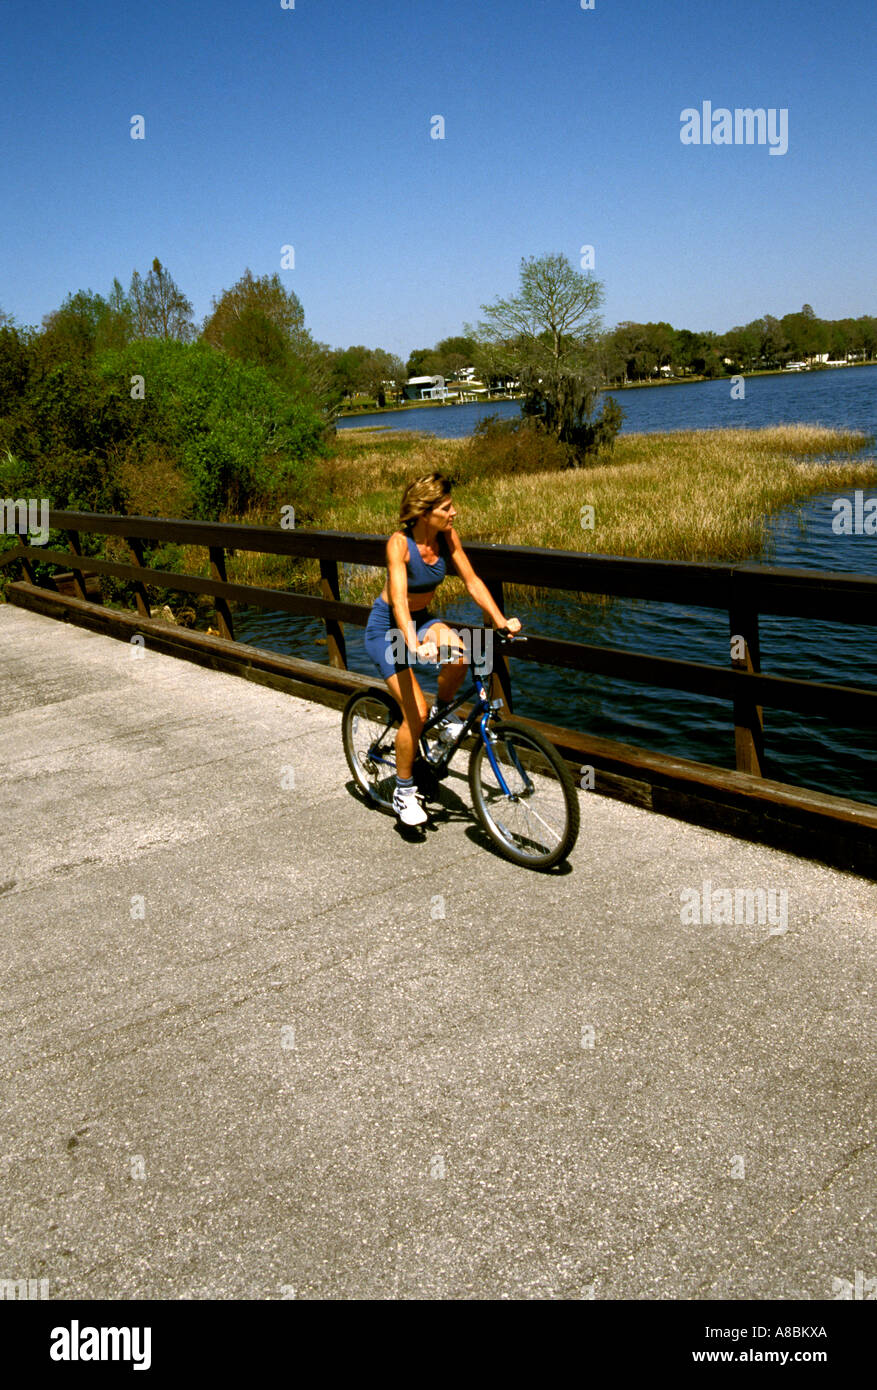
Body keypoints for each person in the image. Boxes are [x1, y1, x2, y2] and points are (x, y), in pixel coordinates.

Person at [363, 472, 521, 825]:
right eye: (446, 507)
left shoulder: (446, 537)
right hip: (386, 629)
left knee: (462, 654)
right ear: (424, 511)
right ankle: (404, 793)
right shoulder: (399, 544)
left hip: (423, 619)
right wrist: (414, 644)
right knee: (416, 714)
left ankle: (446, 714)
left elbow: (472, 580)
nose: (455, 513)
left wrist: (499, 620)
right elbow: (400, 602)